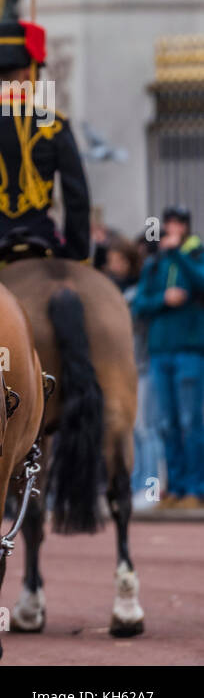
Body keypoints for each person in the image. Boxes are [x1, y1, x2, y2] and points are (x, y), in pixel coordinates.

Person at [0, 19, 90, 268]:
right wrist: (77, 254)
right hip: (41, 233)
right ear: (29, 72)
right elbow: (76, 196)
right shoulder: (55, 124)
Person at [131, 206, 204, 507]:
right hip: (160, 353)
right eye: (169, 223)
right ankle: (174, 488)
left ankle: (195, 490)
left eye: (179, 223)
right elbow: (139, 305)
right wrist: (164, 298)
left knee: (190, 421)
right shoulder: (154, 264)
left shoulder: (195, 256)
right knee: (166, 424)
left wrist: (177, 255)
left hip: (190, 351)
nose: (173, 228)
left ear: (186, 227)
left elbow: (200, 283)